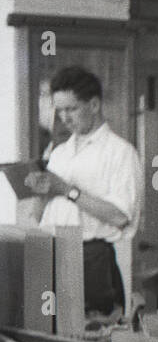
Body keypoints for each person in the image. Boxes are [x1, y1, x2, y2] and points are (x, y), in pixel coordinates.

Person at [26, 66, 143, 317]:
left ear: (94, 105)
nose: (64, 118)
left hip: (92, 260)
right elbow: (38, 217)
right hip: (52, 253)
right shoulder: (59, 154)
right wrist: (41, 192)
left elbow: (120, 216)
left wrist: (67, 190)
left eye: (71, 109)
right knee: (51, 336)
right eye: (59, 110)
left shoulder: (120, 153)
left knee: (93, 341)